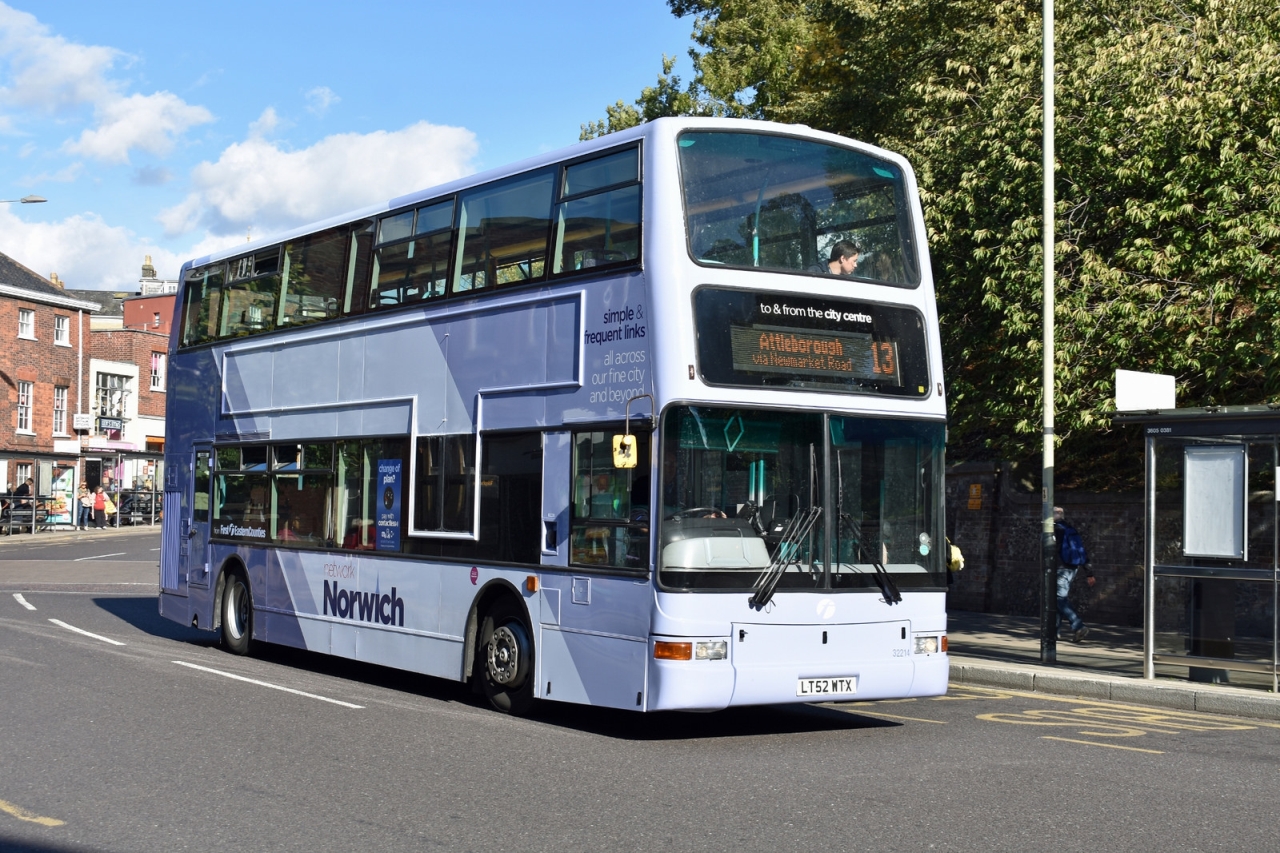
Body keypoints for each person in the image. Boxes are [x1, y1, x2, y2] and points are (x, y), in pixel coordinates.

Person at [1053, 506, 1095, 642]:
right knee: (1057, 599)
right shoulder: (1070, 529)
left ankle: (1078, 626)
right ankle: (1053, 631)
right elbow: (1081, 550)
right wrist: (1089, 573)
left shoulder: (1055, 529)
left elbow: (1051, 550)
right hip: (1072, 568)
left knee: (1058, 598)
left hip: (1060, 568)